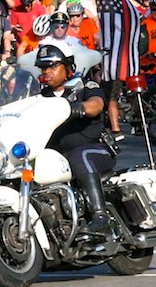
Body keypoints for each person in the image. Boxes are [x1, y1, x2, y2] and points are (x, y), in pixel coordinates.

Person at [37, 41, 114, 236]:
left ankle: (100, 217)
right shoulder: (40, 98)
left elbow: (97, 104)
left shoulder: (85, 87)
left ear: (68, 67)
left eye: (53, 66)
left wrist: (79, 108)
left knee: (80, 155)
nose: (47, 71)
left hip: (95, 149)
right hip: (59, 156)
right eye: (44, 67)